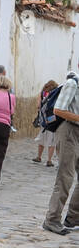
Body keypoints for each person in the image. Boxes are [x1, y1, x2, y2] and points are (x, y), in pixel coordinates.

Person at [42, 71, 79, 235]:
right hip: (68, 131)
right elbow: (58, 110)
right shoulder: (72, 84)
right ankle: (52, 219)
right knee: (66, 176)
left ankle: (73, 218)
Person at [34, 79, 59, 165]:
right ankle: (49, 160)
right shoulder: (56, 94)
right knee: (52, 140)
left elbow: (38, 106)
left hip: (43, 120)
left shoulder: (42, 93)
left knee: (42, 137)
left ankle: (39, 157)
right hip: (53, 119)